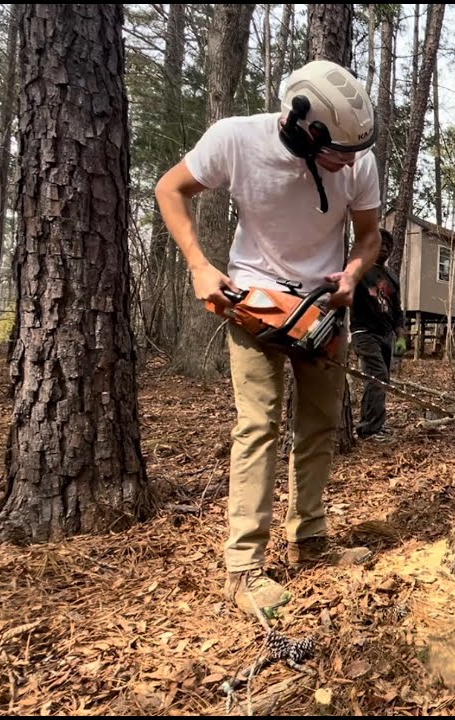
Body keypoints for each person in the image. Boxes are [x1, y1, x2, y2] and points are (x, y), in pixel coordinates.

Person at [155, 59, 382, 619]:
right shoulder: (236, 139)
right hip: (252, 300)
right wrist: (198, 267)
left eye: (356, 151)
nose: (349, 162)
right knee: (258, 423)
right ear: (303, 126)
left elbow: (370, 235)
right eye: (338, 151)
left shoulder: (358, 160)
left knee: (320, 424)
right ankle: (244, 567)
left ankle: (310, 541)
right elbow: (170, 188)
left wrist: (352, 275)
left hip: (324, 306)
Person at [352, 228, 405, 441]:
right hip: (364, 333)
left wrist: (400, 334)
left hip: (385, 335)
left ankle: (372, 425)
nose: (384, 249)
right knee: (378, 377)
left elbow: (397, 309)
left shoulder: (391, 277)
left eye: (388, 246)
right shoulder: (359, 269)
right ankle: (369, 429)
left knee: (378, 380)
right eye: (381, 244)